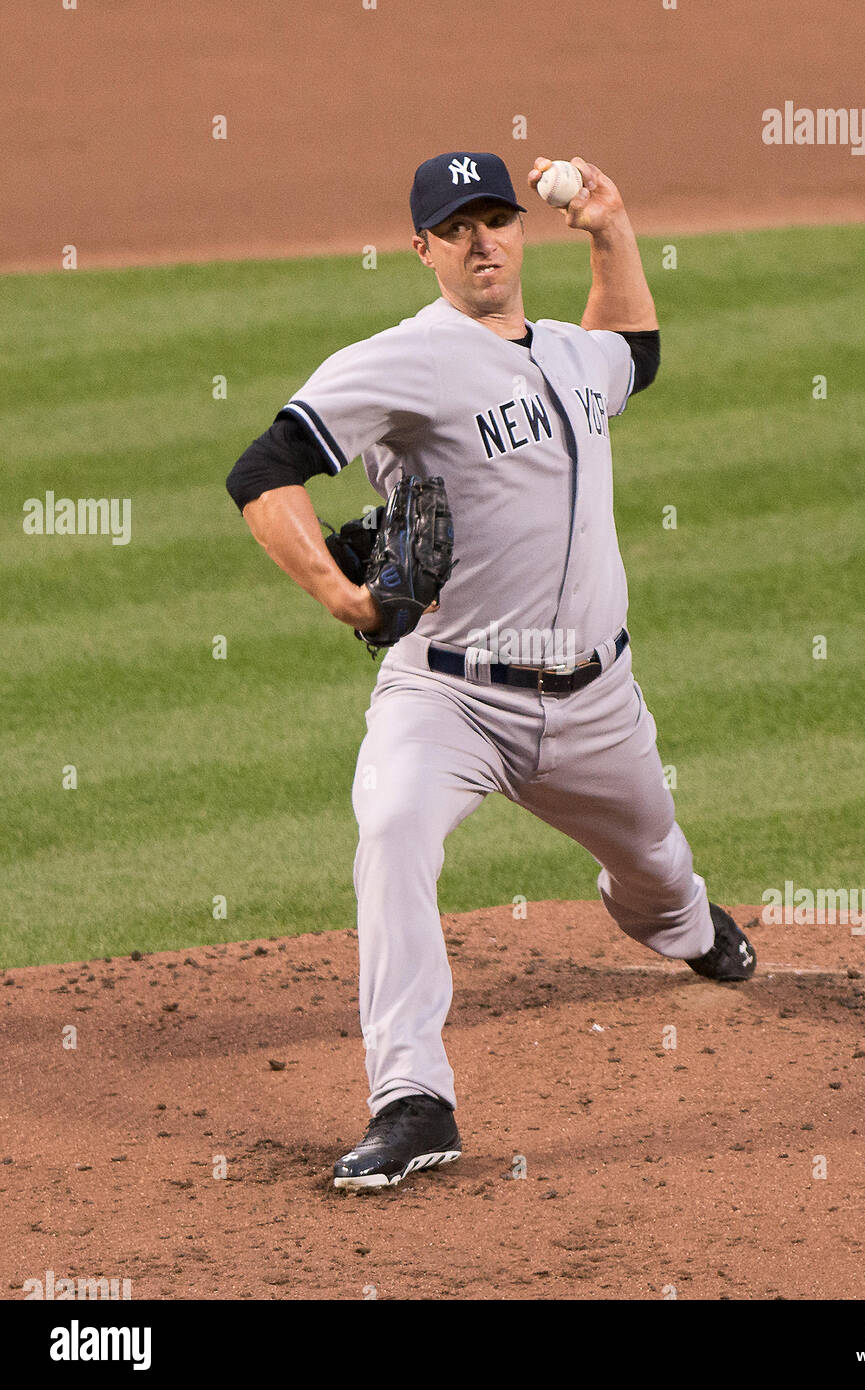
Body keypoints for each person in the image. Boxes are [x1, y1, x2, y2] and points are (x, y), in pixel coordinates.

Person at [226, 150, 756, 1192]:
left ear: (519, 232)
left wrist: (610, 228)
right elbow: (262, 468)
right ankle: (412, 1097)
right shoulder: (400, 360)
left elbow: (635, 349)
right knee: (390, 823)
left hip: (596, 703)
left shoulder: (567, 354)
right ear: (422, 247)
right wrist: (343, 597)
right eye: (456, 226)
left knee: (655, 869)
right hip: (449, 693)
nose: (481, 240)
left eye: (496, 219)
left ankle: (691, 928)